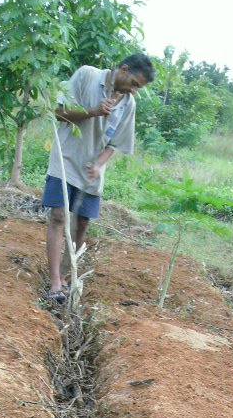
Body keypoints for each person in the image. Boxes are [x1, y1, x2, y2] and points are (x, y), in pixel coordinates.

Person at [42, 53, 155, 302]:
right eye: (134, 83)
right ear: (123, 69)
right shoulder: (86, 75)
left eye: (139, 88)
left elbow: (115, 143)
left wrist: (99, 164)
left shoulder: (128, 104)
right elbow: (58, 112)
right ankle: (53, 283)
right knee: (59, 216)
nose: (134, 91)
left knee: (82, 223)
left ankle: (65, 276)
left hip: (92, 169)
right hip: (66, 158)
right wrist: (92, 112)